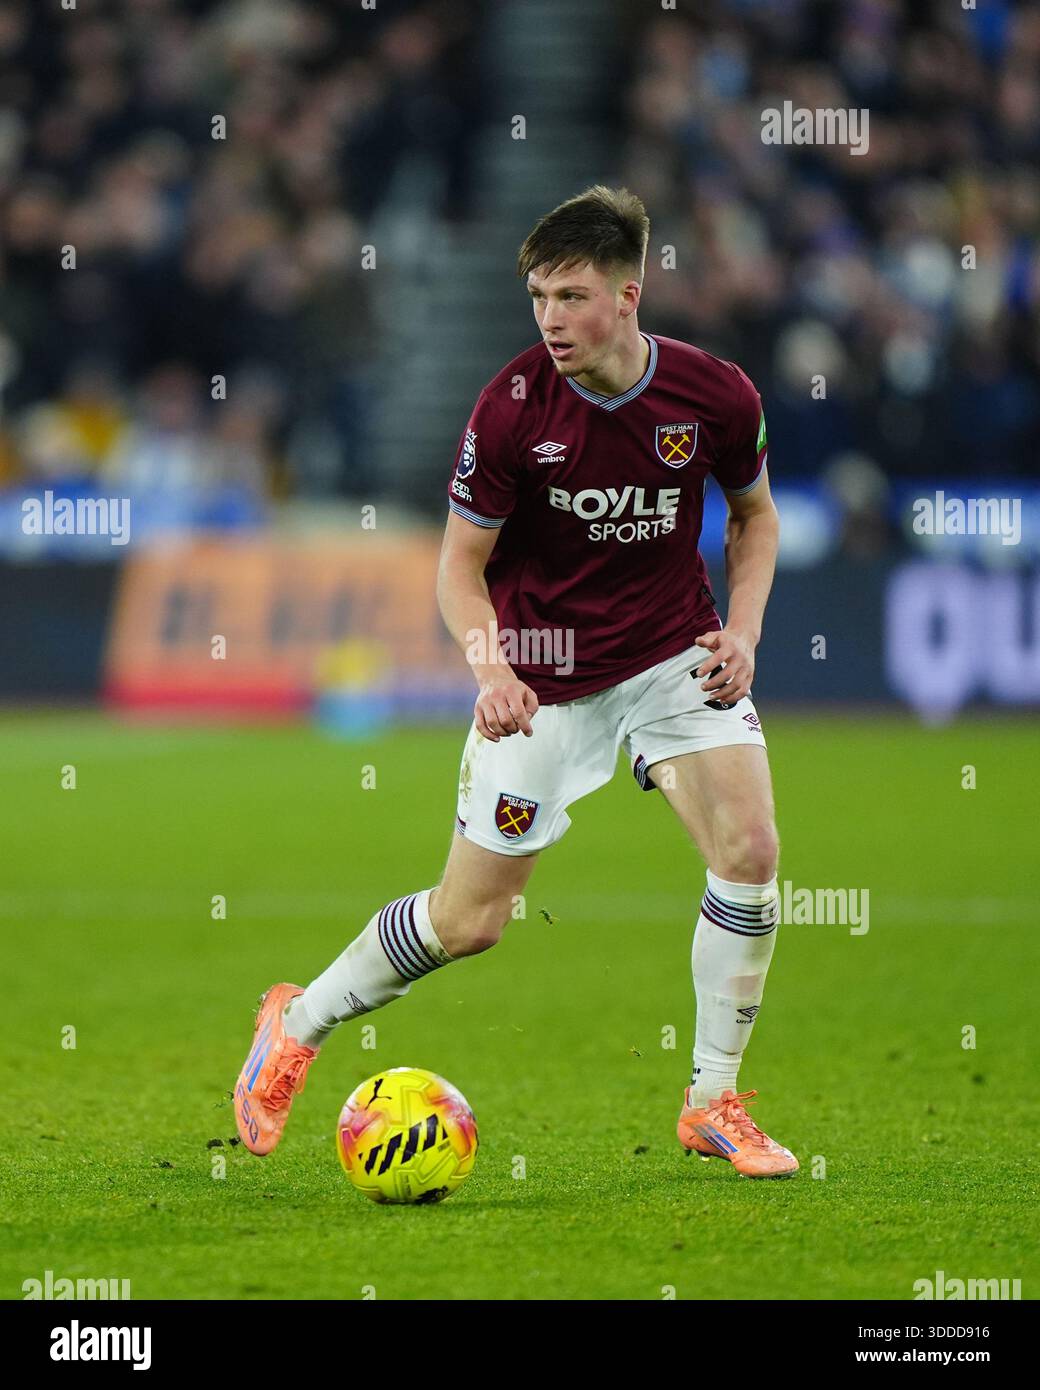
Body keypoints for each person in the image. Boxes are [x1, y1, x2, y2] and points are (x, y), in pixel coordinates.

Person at [234, 186, 797, 1178]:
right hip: (540, 677)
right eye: (537, 295)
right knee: (471, 923)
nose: (549, 318)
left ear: (627, 295)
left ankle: (713, 1099)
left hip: (675, 653)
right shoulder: (510, 408)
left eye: (570, 295)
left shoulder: (714, 394)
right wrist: (489, 669)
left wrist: (743, 629)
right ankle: (298, 1020)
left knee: (749, 848)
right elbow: (457, 566)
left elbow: (753, 517)